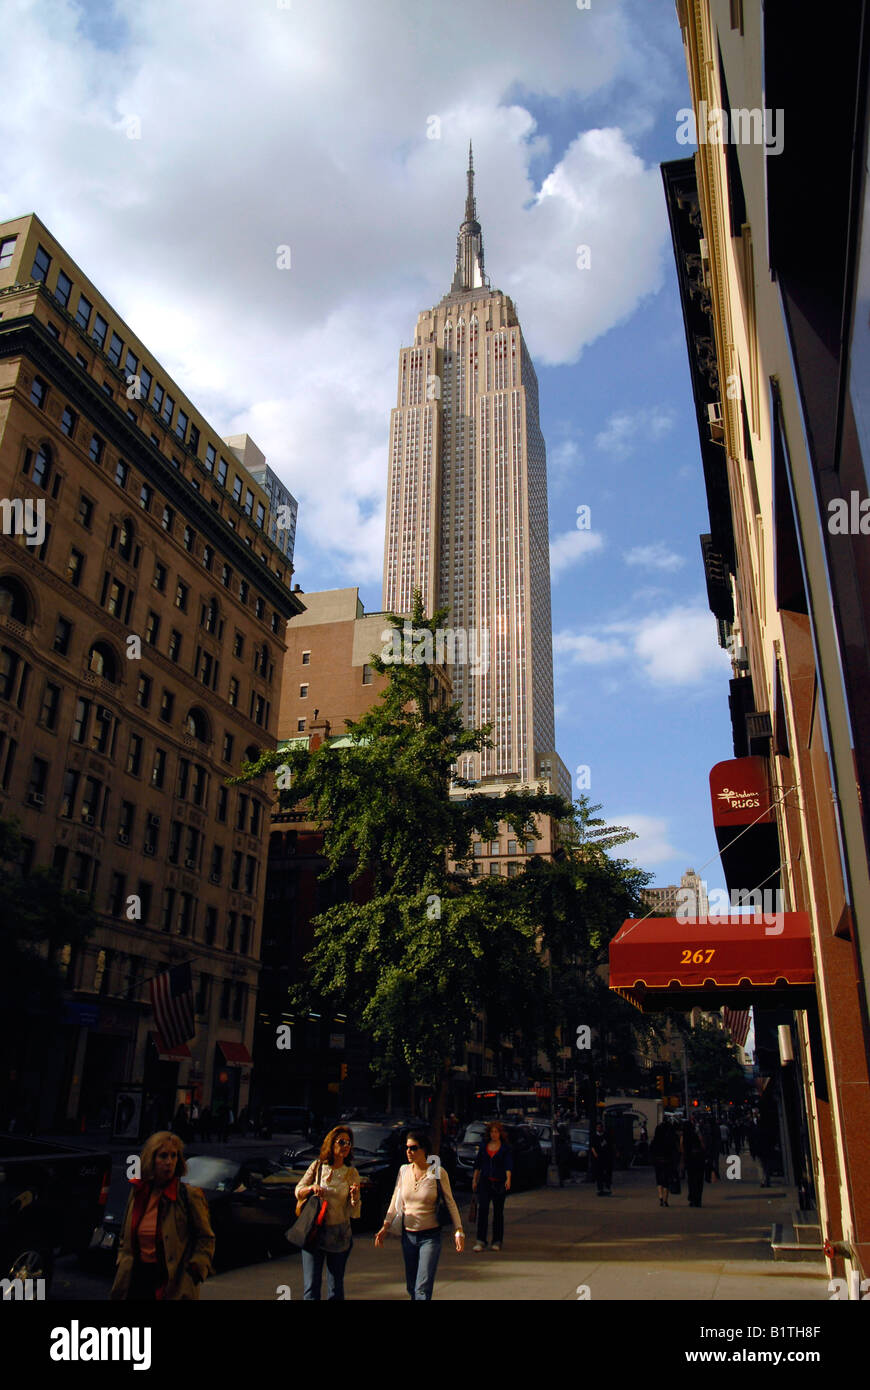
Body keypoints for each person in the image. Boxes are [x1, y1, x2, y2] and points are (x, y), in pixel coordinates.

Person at [110, 1131, 215, 1301]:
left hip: (171, 1283)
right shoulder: (139, 1192)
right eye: (163, 1156)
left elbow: (206, 1238)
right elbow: (125, 1234)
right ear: (151, 1159)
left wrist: (195, 1271)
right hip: (137, 1278)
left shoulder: (188, 1195)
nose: (169, 1162)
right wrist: (122, 1259)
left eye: (174, 1156)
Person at [375, 1129, 464, 1299]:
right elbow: (396, 1200)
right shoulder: (403, 1171)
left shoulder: (437, 1172)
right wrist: (385, 1225)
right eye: (407, 1148)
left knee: (422, 1288)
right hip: (408, 1237)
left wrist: (458, 1230)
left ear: (424, 1150)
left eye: (413, 1148)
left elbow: (450, 1201)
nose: (409, 1151)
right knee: (412, 1286)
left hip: (430, 1237)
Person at [294, 1125, 361, 1300]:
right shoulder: (317, 1167)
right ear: (331, 1144)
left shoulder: (351, 1173)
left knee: (335, 1288)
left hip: (339, 1234)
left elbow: (354, 1213)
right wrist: (311, 1188)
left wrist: (354, 1198)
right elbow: (298, 1190)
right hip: (314, 1232)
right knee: (311, 1287)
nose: (346, 1146)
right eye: (341, 1142)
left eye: (349, 1143)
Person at [472, 1120, 513, 1248]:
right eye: (492, 1132)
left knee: (498, 1212)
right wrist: (475, 1179)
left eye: (496, 1132)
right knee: (483, 1210)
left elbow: (508, 1165)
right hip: (485, 1181)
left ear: (500, 1133)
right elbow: (478, 1164)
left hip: (499, 1182)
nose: (494, 1134)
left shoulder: (505, 1148)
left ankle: (497, 1241)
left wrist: (508, 1179)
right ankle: (481, 1240)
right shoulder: (484, 1146)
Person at [650, 1117, 679, 1206]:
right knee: (666, 1180)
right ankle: (666, 1199)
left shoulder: (656, 1140)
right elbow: (675, 1150)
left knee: (659, 1179)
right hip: (667, 1161)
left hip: (658, 1161)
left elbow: (651, 1150)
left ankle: (660, 1196)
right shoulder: (670, 1140)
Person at [681, 1120, 706, 1207]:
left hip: (689, 1160)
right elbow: (703, 1146)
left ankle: (692, 1198)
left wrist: (683, 1162)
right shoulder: (697, 1135)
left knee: (691, 1180)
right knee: (699, 1180)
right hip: (699, 1160)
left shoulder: (684, 1137)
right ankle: (698, 1199)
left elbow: (682, 1150)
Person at [590, 1121, 613, 1196]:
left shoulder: (606, 1135)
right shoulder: (594, 1136)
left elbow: (610, 1145)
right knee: (599, 1173)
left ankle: (607, 1187)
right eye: (598, 1127)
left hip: (606, 1157)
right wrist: (595, 1154)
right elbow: (592, 1146)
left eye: (600, 1127)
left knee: (607, 1173)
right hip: (598, 1158)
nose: (599, 1129)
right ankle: (599, 1189)